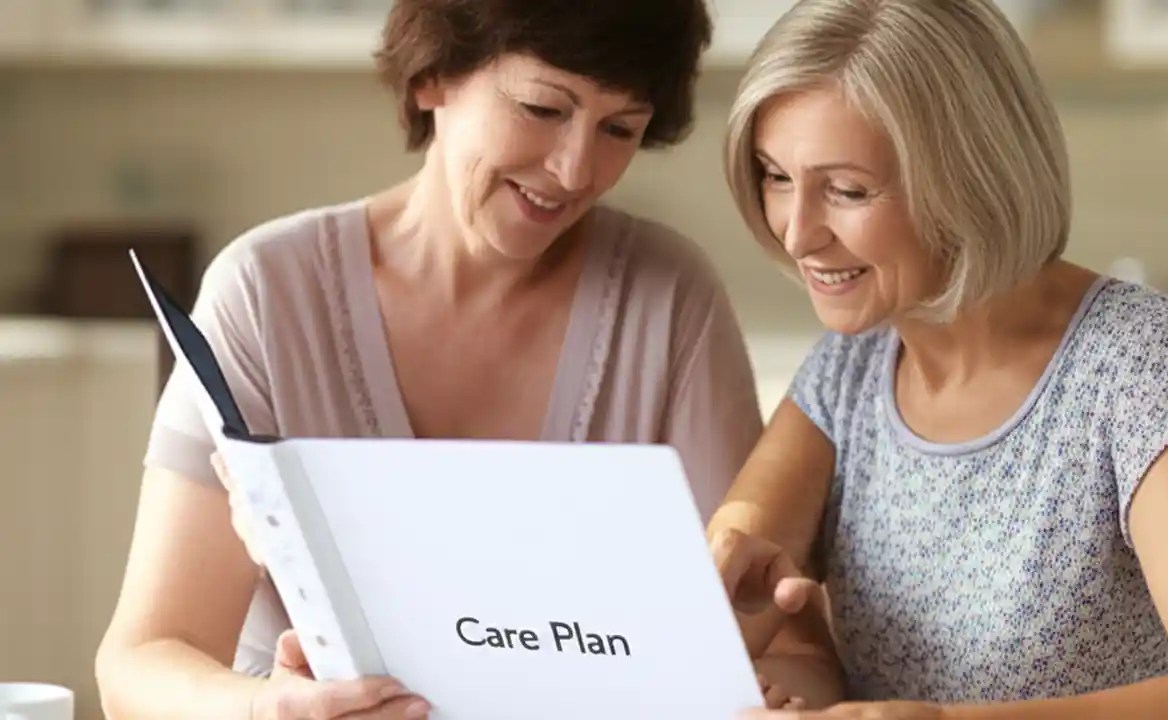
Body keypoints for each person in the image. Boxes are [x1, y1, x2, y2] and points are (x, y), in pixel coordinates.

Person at [95, 2, 767, 718]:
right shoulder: (266, 294)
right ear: (433, 77)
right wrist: (268, 711)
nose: (575, 169)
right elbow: (138, 665)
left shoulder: (669, 300)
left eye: (619, 129)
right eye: (543, 108)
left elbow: (746, 647)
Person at [707, 0, 1168, 718]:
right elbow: (752, 569)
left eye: (847, 190)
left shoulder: (1136, 362)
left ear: (968, 177)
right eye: (775, 176)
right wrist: (787, 666)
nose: (795, 234)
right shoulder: (846, 371)